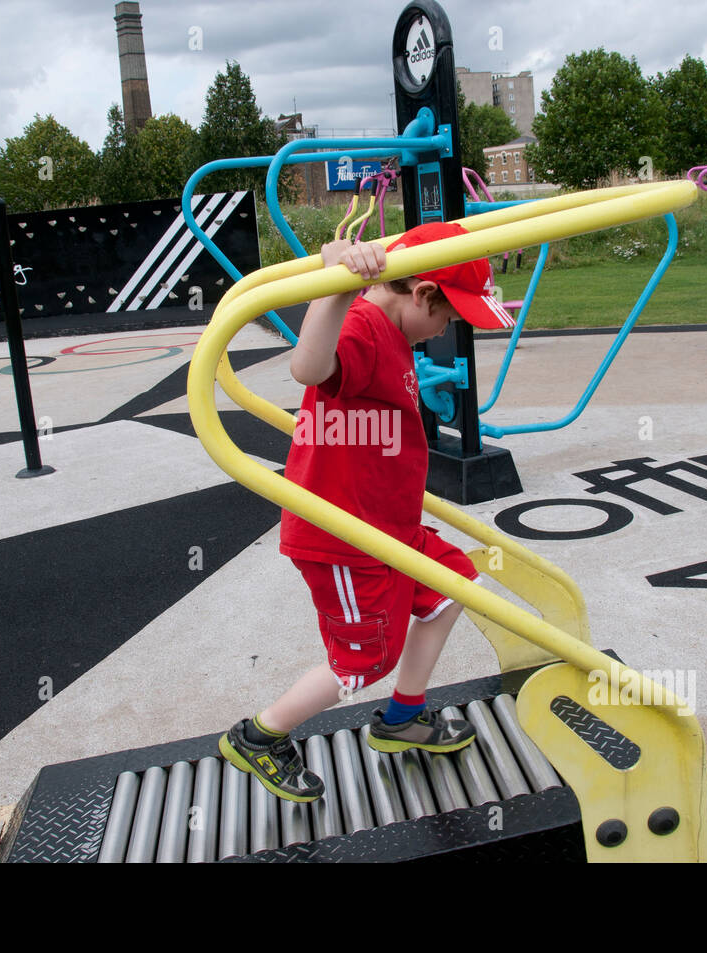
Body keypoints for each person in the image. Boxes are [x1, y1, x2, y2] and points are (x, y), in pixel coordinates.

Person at [218, 221, 517, 802]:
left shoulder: (392, 329)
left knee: (456, 583)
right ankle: (260, 735)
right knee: (362, 661)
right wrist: (335, 288)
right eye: (448, 319)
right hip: (346, 539)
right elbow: (308, 368)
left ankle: (404, 717)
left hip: (389, 525)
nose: (446, 331)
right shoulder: (365, 326)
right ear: (424, 294)